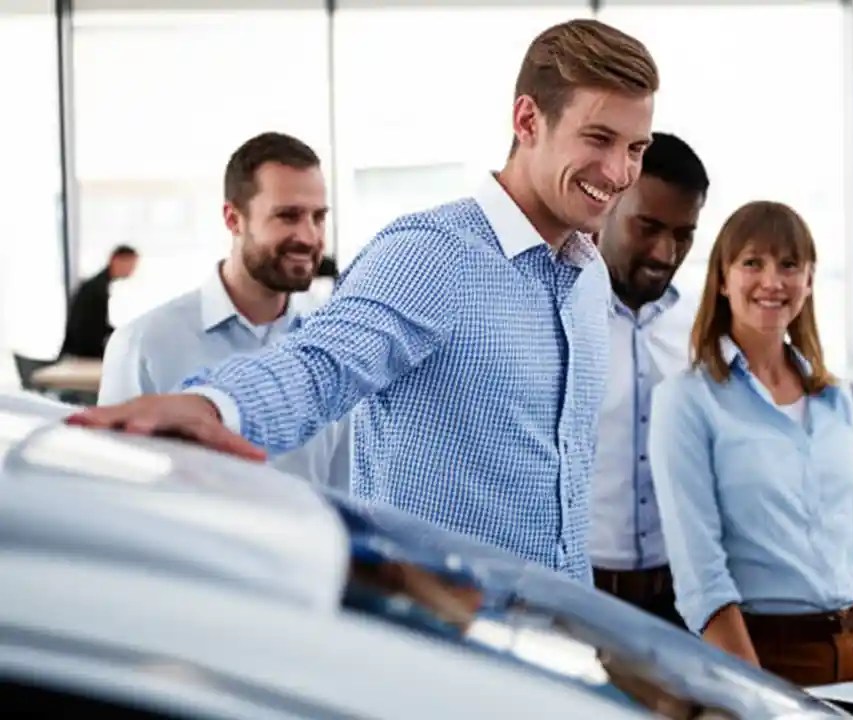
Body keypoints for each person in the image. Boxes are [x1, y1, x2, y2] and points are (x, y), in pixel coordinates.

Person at [66, 19, 659, 584]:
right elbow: (320, 361)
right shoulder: (434, 254)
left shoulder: (588, 280)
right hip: (438, 639)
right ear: (528, 120)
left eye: (636, 148)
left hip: (556, 632)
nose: (619, 170)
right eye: (599, 138)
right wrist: (214, 406)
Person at [648, 200, 853, 686]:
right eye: (752, 262)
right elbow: (701, 578)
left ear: (810, 280)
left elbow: (849, 540)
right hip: (765, 657)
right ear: (722, 279)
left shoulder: (833, 400)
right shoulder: (687, 402)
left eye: (790, 265)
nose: (772, 281)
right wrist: (753, 694)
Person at [98, 132, 350, 492]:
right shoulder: (144, 344)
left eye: (318, 217)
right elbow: (118, 492)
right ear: (234, 219)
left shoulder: (332, 341)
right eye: (288, 216)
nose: (309, 237)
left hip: (311, 547)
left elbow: (344, 490)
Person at [589, 131, 709, 624]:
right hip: (580, 590)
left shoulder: (704, 330)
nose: (665, 252)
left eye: (684, 235)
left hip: (681, 596)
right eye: (648, 227)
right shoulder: (560, 315)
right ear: (610, 204)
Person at [60, 245, 138, 359]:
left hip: (80, 351)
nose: (132, 270)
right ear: (115, 260)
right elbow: (90, 331)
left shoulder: (98, 285)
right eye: (131, 265)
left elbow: (98, 325)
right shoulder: (96, 289)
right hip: (80, 356)